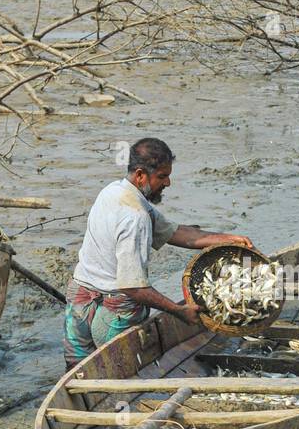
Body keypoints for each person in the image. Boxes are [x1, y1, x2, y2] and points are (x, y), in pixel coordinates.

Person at [65, 137, 252, 366]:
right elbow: (132, 287)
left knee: (76, 368)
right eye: (162, 176)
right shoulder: (136, 217)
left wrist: (228, 239)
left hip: (80, 296)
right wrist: (178, 311)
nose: (168, 183)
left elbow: (174, 233)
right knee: (121, 367)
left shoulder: (112, 192)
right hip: (114, 308)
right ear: (141, 175)